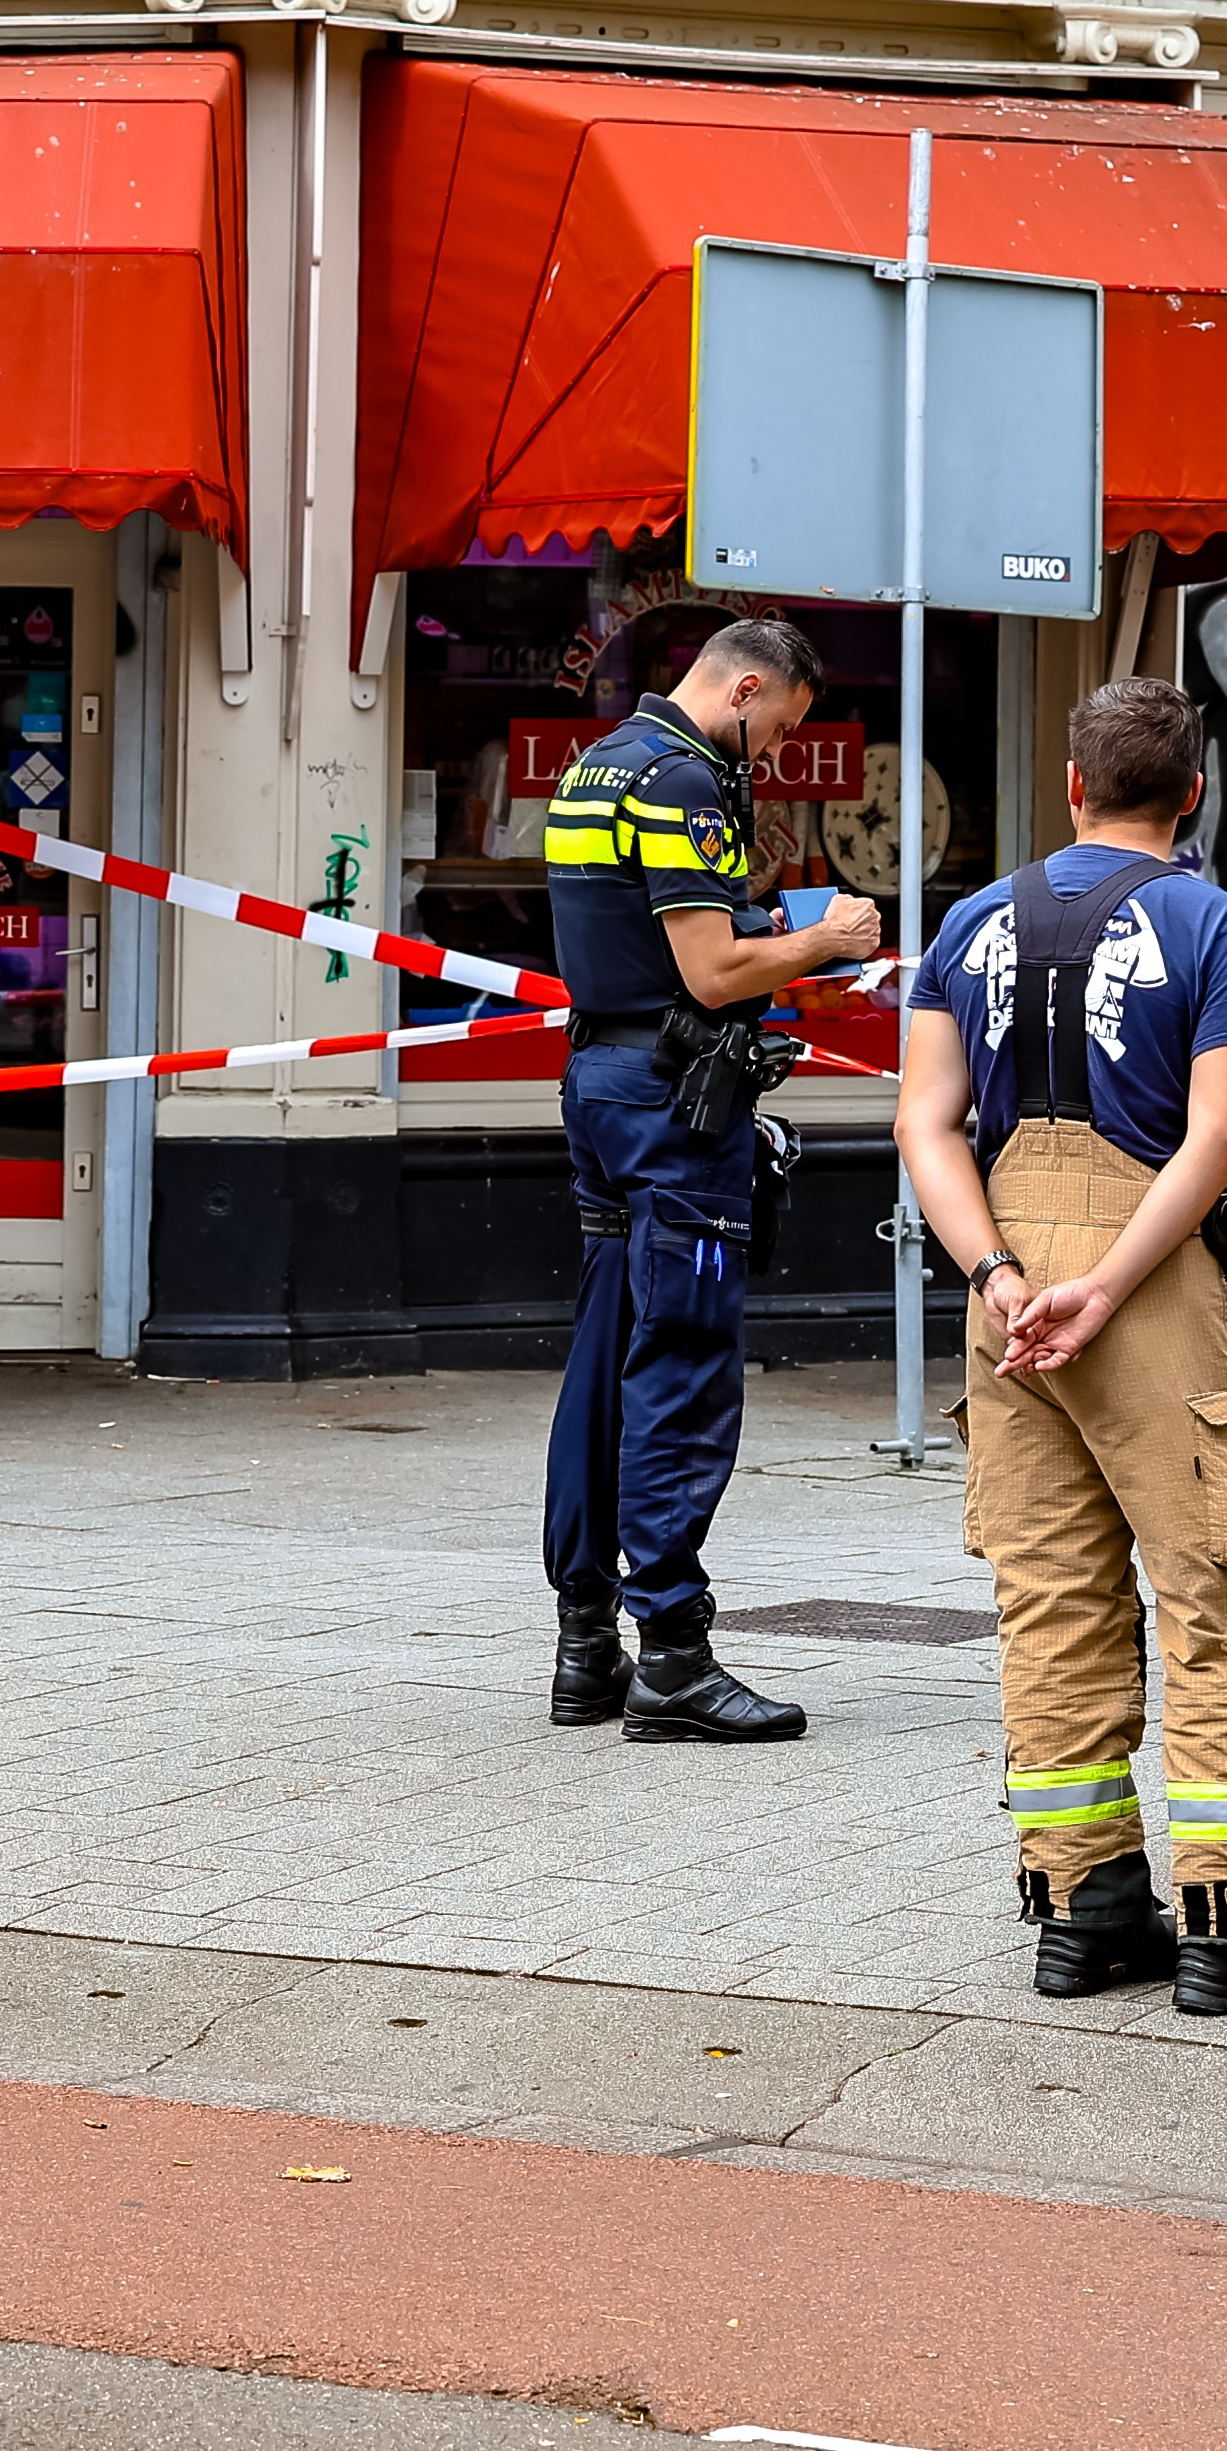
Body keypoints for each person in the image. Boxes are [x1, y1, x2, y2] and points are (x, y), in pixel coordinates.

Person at [894, 675, 1227, 2012]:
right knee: (1220, 1599)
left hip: (1003, 1296)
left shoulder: (968, 923)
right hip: (1147, 1285)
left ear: (1073, 788)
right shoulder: (1215, 926)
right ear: (1194, 795)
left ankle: (1085, 1911)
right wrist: (1104, 1286)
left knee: (1051, 1601)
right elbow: (1216, 1139)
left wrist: (997, 1274)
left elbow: (925, 1123)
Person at [538, 614, 882, 1743]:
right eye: (777, 731)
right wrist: (823, 942)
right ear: (743, 689)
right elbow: (711, 967)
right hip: (673, 1108)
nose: (775, 755)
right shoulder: (683, 782)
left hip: (600, 1078)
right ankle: (674, 1656)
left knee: (605, 1350)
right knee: (680, 1362)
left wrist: (769, 927)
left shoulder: (598, 765)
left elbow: (651, 939)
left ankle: (587, 1643)